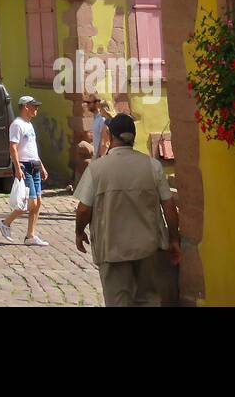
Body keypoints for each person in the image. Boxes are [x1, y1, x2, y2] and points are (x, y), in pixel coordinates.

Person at [74, 113, 181, 307]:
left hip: (112, 247)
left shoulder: (96, 169)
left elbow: (83, 209)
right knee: (148, 299)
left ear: (111, 135)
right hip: (148, 246)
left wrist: (79, 232)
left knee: (118, 301)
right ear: (134, 136)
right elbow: (169, 207)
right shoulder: (152, 166)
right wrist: (173, 239)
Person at [0, 95, 50, 246]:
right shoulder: (17, 124)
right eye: (34, 106)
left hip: (34, 165)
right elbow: (13, 147)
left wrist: (41, 166)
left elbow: (32, 148)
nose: (36, 109)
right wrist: (17, 166)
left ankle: (30, 236)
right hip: (25, 166)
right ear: (26, 107)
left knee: (38, 201)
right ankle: (5, 223)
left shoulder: (29, 124)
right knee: (30, 202)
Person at [90, 96, 112, 160]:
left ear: (105, 109)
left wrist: (99, 156)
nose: (99, 111)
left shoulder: (106, 122)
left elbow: (104, 143)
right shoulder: (112, 121)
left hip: (104, 155)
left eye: (100, 109)